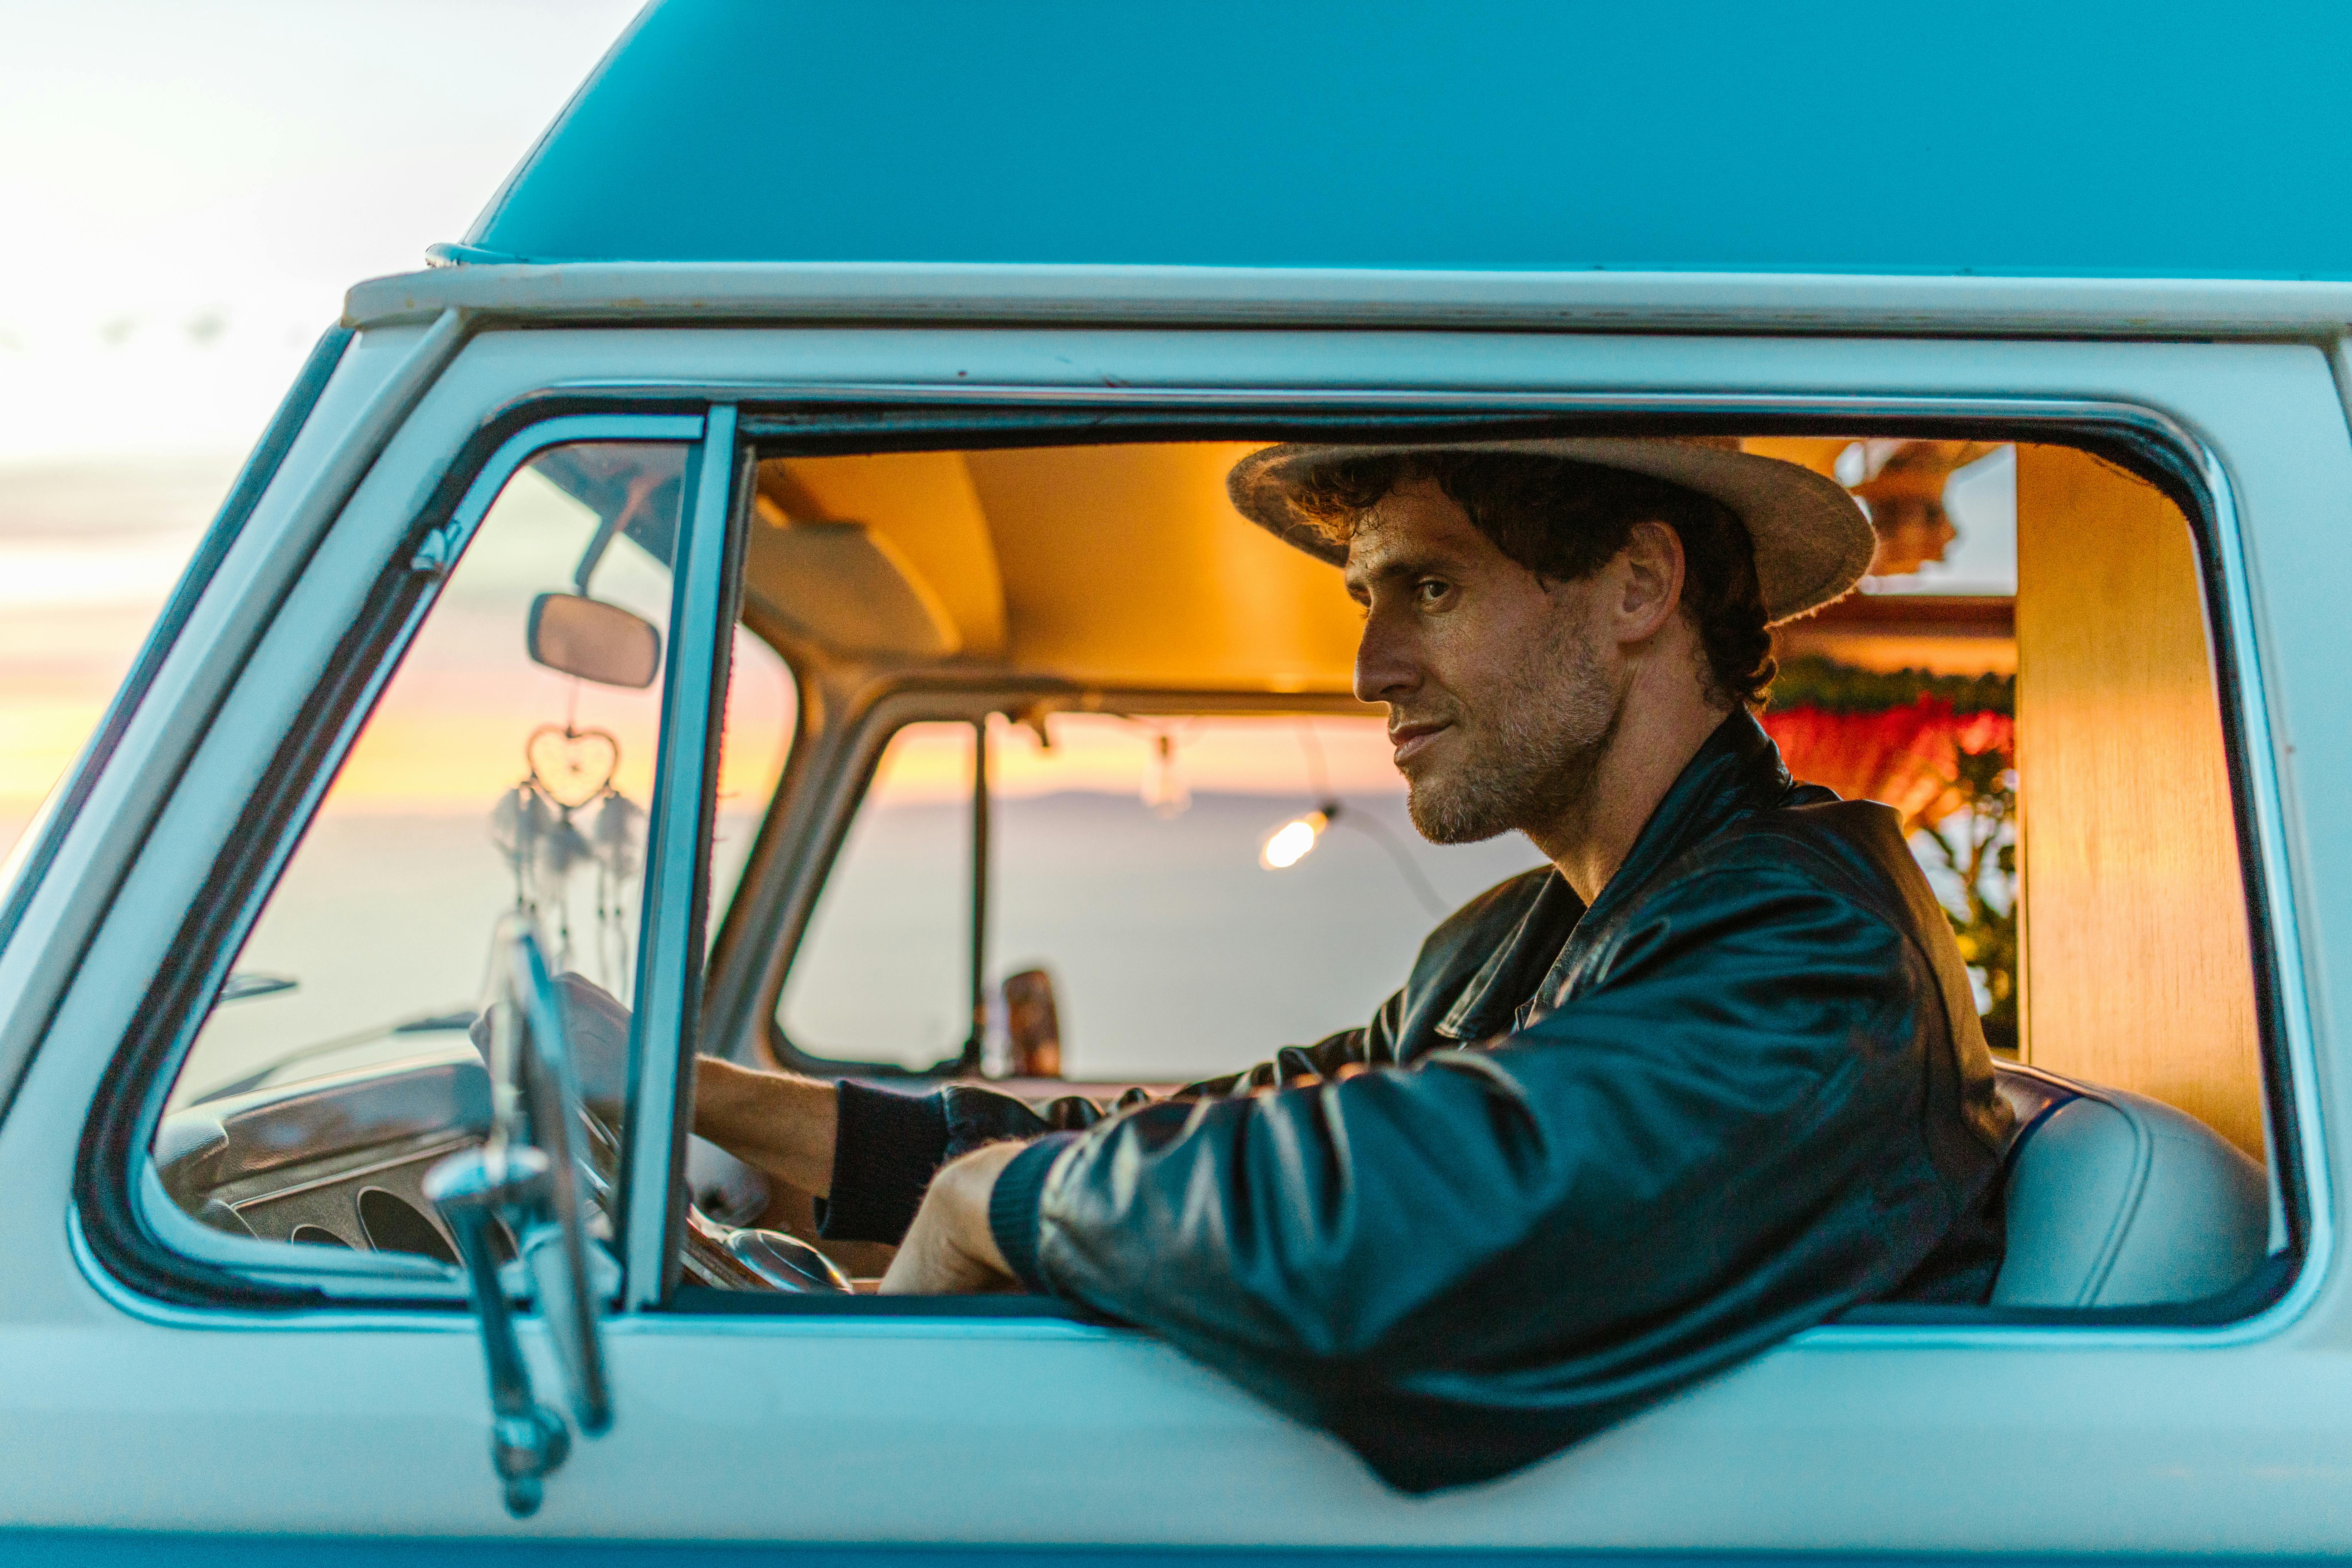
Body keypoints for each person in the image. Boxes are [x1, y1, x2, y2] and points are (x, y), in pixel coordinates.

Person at [692, 438, 2013, 1492]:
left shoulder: (1809, 946)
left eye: (1430, 589)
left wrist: (997, 1203)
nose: (1373, 669)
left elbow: (1419, 1222)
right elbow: (1206, 1138)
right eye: (1369, 602)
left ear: (1636, 586)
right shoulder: (1519, 938)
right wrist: (703, 1102)